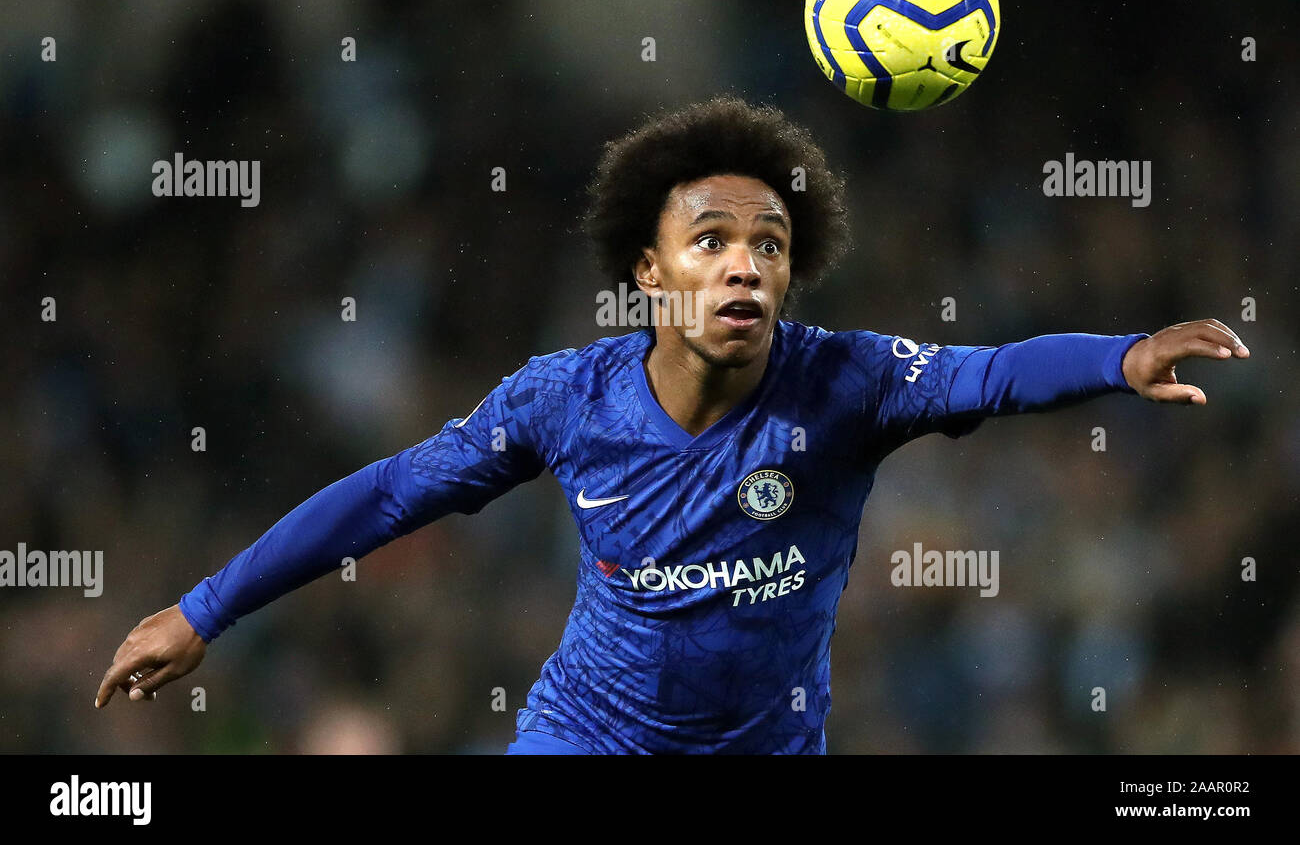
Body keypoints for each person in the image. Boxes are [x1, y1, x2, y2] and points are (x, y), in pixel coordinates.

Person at [94, 96, 1250, 754]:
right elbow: (393, 494)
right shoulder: (564, 401)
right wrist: (205, 608)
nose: (744, 266)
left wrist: (1119, 356)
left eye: (770, 246)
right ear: (649, 271)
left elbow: (989, 373)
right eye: (711, 242)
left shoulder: (845, 386)